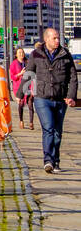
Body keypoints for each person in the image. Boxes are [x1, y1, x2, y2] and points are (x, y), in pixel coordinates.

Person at [23, 27, 76, 173]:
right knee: (49, 128)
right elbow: (29, 73)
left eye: (58, 38)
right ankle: (48, 160)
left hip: (60, 98)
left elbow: (73, 77)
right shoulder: (36, 54)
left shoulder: (65, 55)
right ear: (46, 39)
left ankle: (56, 160)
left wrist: (71, 96)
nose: (58, 41)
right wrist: (22, 94)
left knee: (58, 132)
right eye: (54, 38)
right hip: (42, 98)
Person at [10, 47, 35, 130]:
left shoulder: (27, 63)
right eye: (19, 53)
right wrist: (20, 74)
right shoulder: (14, 64)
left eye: (22, 52)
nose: (21, 54)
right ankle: (21, 121)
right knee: (21, 104)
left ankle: (31, 123)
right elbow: (13, 77)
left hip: (29, 86)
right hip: (19, 87)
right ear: (16, 55)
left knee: (30, 103)